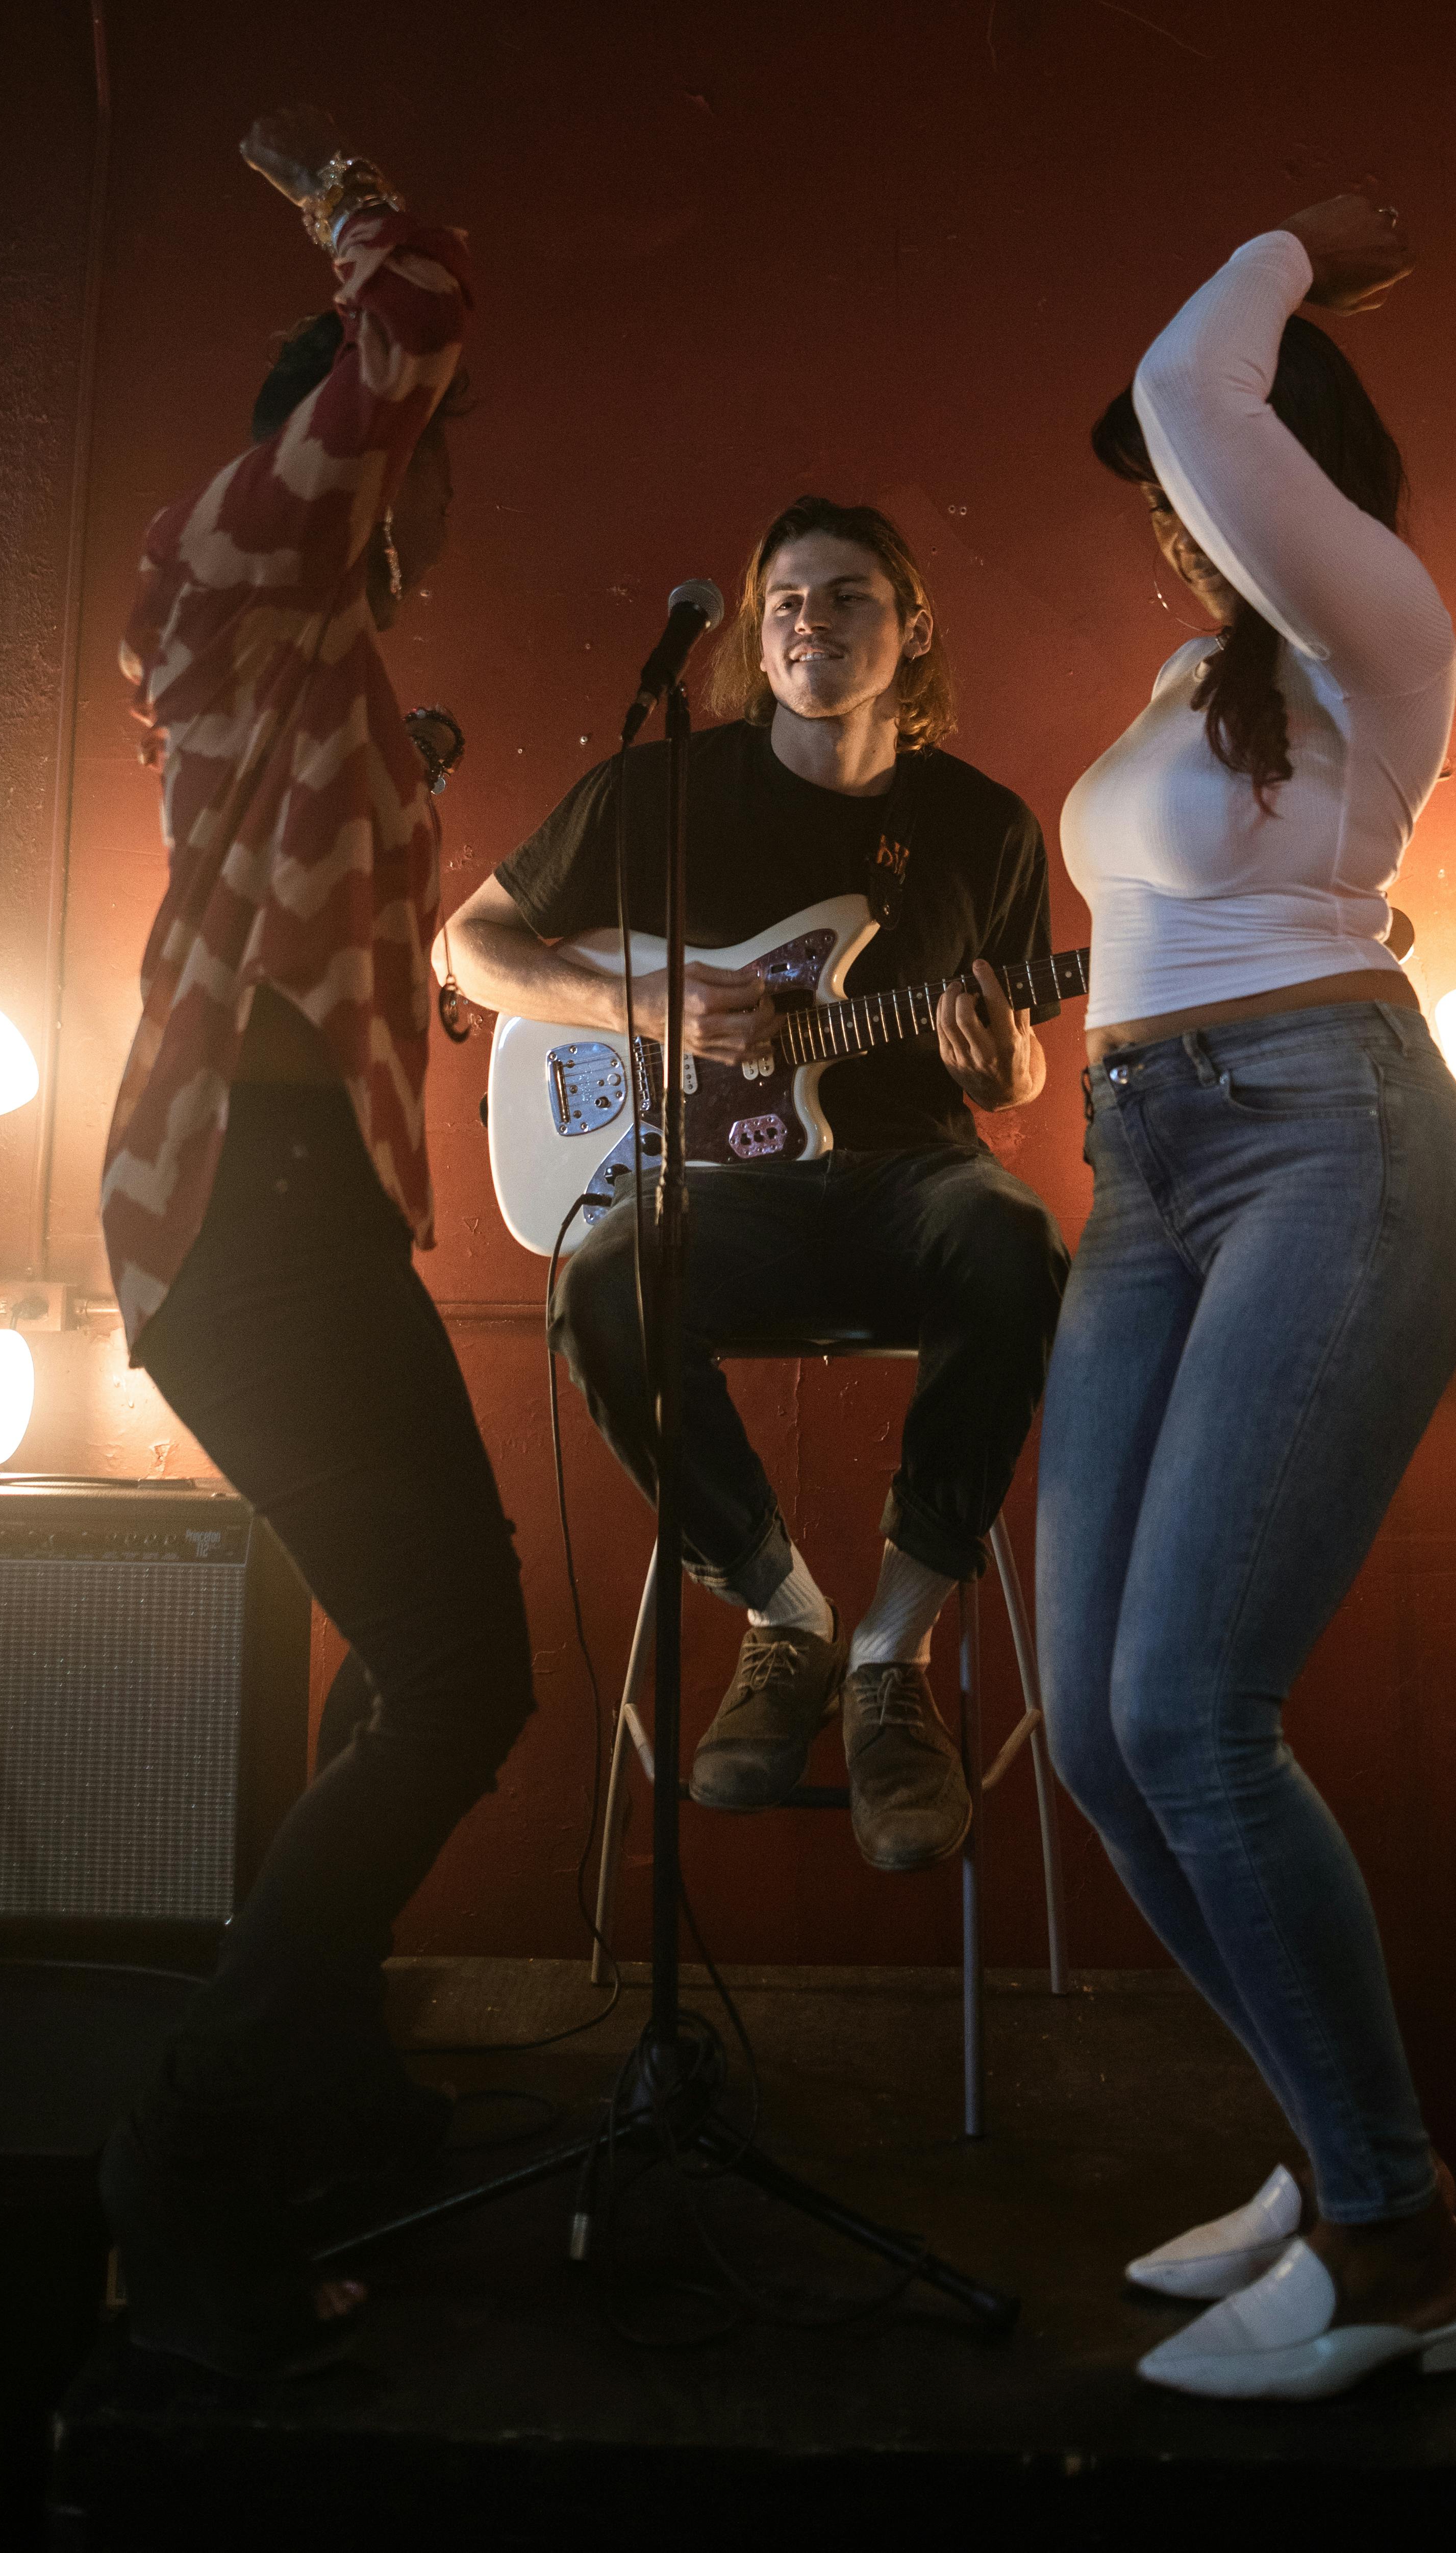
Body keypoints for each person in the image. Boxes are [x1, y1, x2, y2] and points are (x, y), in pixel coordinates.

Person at [1036, 194, 1456, 2400]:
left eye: (1182, 489)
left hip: (1331, 1140)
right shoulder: (1196, 683)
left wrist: (1291, 240)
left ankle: (1401, 2253)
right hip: (1144, 1169)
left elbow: (1181, 378)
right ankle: (1335, 2154)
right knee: (1094, 1732)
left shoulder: (1374, 622)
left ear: (1275, 455)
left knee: (1193, 1709)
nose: (1163, 522)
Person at [97, 105, 535, 2376]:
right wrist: (338, 190)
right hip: (243, 1220)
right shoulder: (233, 583)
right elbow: (414, 310)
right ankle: (185, 2148)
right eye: (405, 451)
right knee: (466, 1674)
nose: (431, 485)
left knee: (410, 1656)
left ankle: (334, 2096)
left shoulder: (318, 670)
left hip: (299, 1220)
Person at [444, 498, 1069, 1869]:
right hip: (720, 1186)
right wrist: (646, 1007)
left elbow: (1011, 1069)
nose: (808, 622)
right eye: (785, 600)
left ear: (913, 630)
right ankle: (787, 1617)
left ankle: (892, 1652)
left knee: (1014, 1239)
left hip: (911, 1176)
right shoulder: (661, 791)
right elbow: (468, 948)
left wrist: (1008, 1067)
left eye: (847, 596)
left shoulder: (985, 827)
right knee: (604, 1282)